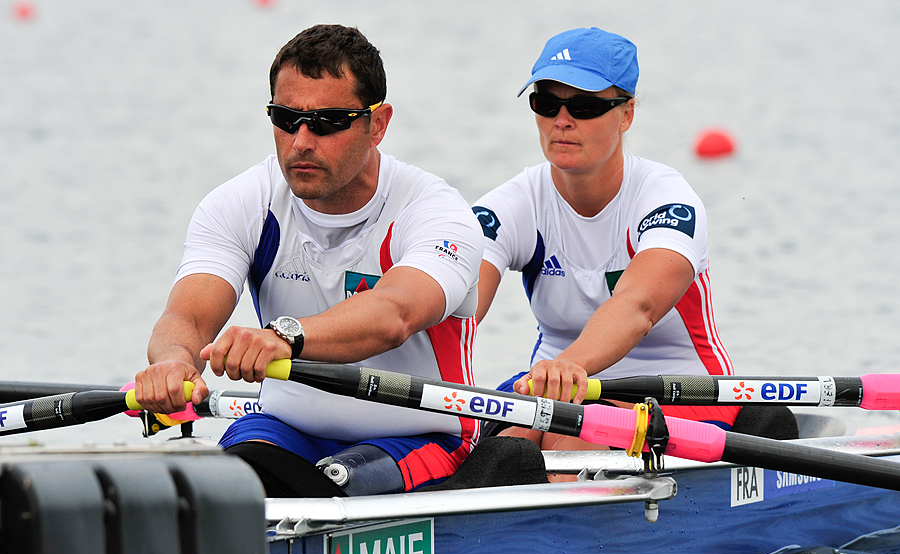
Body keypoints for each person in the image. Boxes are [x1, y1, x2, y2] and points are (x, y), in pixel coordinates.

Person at [134, 24, 484, 497]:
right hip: (286, 429)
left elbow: (393, 315)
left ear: (377, 124)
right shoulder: (242, 204)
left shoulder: (436, 213)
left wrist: (284, 338)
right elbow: (188, 315)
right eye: (285, 118)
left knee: (335, 484)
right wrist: (173, 364)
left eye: (327, 122)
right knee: (225, 487)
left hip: (420, 434)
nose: (300, 141)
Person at [473, 27, 755, 459]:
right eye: (546, 104)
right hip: (560, 387)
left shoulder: (665, 200)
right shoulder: (516, 202)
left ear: (626, 114)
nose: (562, 121)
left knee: (568, 440)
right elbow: (457, 299)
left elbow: (637, 306)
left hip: (679, 391)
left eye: (584, 106)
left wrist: (571, 366)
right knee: (503, 450)